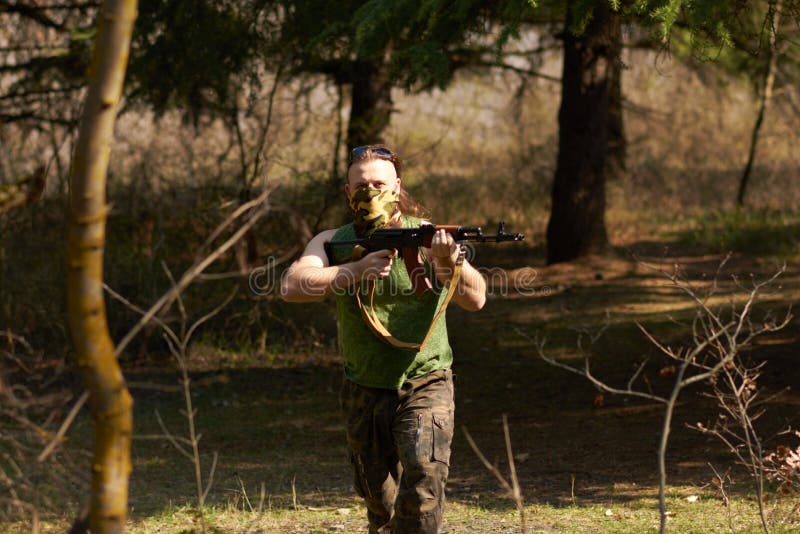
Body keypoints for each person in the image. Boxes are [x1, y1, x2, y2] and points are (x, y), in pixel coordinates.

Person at [280, 145, 486, 533]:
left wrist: (447, 262)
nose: (370, 192)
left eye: (379, 183)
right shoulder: (333, 240)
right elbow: (292, 286)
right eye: (361, 185)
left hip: (426, 380)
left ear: (397, 187)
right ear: (346, 191)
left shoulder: (426, 236)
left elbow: (476, 298)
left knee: (425, 484)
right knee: (380, 502)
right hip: (364, 388)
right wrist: (354, 269)